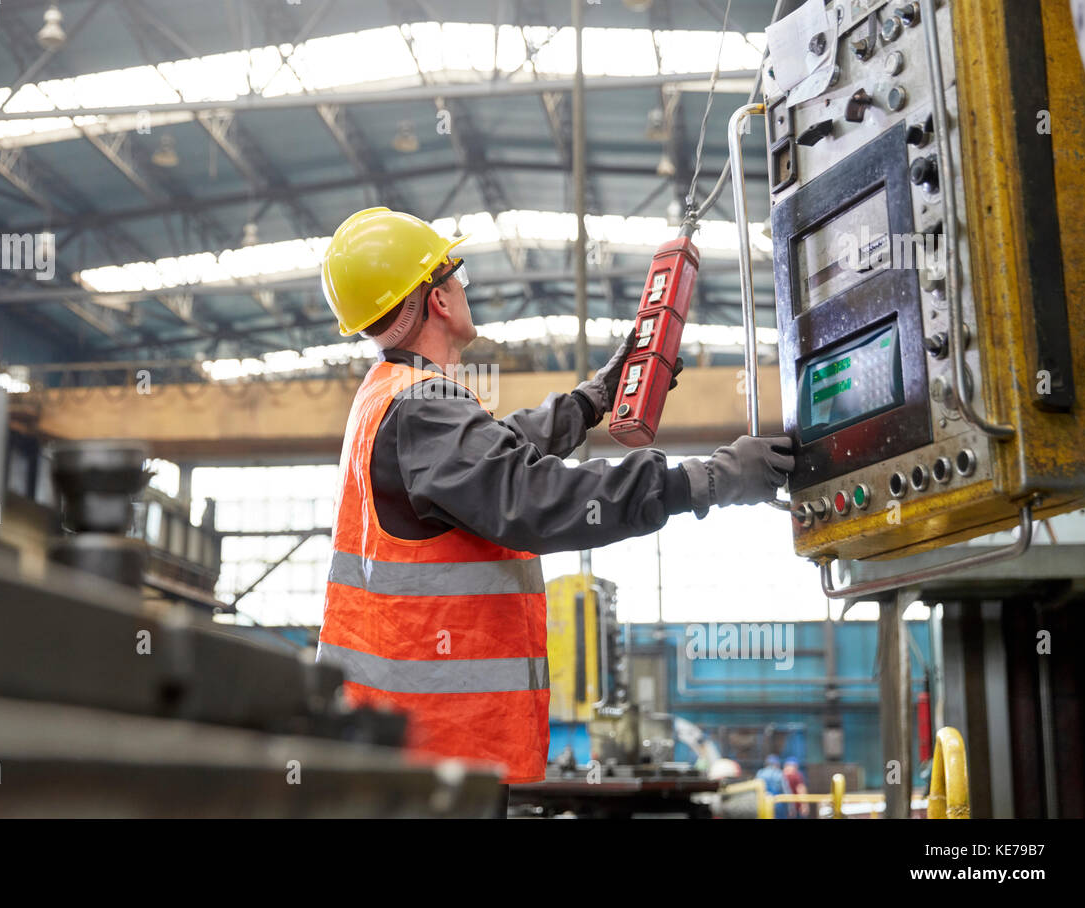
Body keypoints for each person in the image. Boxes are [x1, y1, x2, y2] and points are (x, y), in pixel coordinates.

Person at [315, 207, 795, 793]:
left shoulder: (391, 398)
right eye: (455, 274)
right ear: (437, 299)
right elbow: (532, 496)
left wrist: (593, 399)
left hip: (403, 756)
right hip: (434, 758)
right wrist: (709, 479)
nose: (463, 288)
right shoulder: (421, 407)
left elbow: (493, 455)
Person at [756, 754, 788, 818]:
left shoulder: (760, 773)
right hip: (777, 802)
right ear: (776, 764)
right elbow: (786, 790)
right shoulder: (779, 773)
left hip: (763, 802)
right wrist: (790, 807)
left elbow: (755, 789)